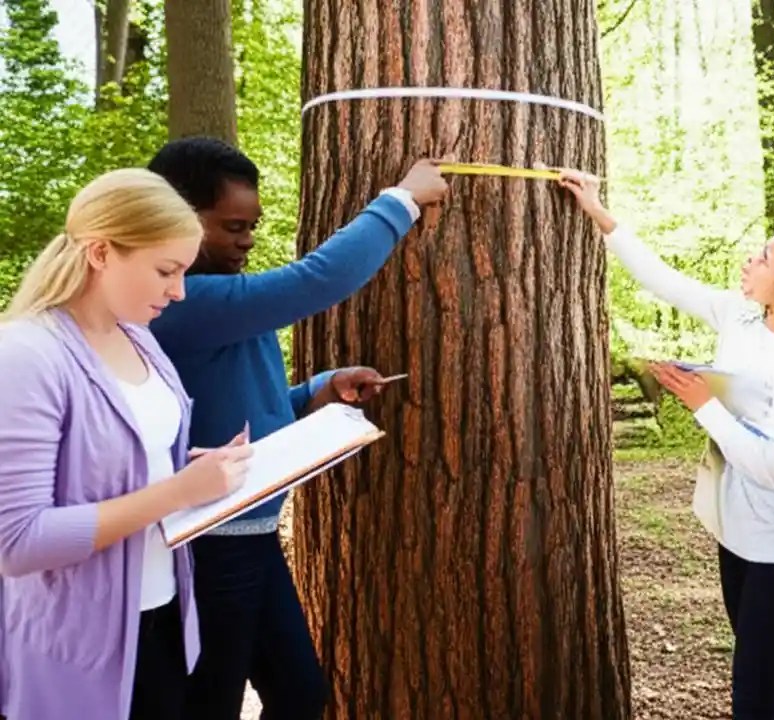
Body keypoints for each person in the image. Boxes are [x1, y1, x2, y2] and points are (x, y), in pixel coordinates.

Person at [146, 137, 449, 719]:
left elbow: (248, 412)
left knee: (299, 694)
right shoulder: (184, 301)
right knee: (211, 703)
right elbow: (315, 281)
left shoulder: (219, 299)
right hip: (209, 545)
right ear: (176, 216)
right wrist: (403, 199)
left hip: (253, 536)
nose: (247, 239)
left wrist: (317, 390)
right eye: (232, 225)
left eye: (252, 225)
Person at [558, 168, 774, 720]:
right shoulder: (740, 316)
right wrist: (596, 210)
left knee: (753, 701)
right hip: (736, 534)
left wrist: (705, 405)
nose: (751, 261)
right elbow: (663, 280)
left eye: (765, 258)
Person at [0, 169, 253, 720]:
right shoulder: (27, 356)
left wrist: (194, 470)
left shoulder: (139, 339)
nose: (179, 291)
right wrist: (176, 491)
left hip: (160, 617)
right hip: (75, 650)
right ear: (99, 252)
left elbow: (126, 458)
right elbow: (17, 542)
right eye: (166, 270)